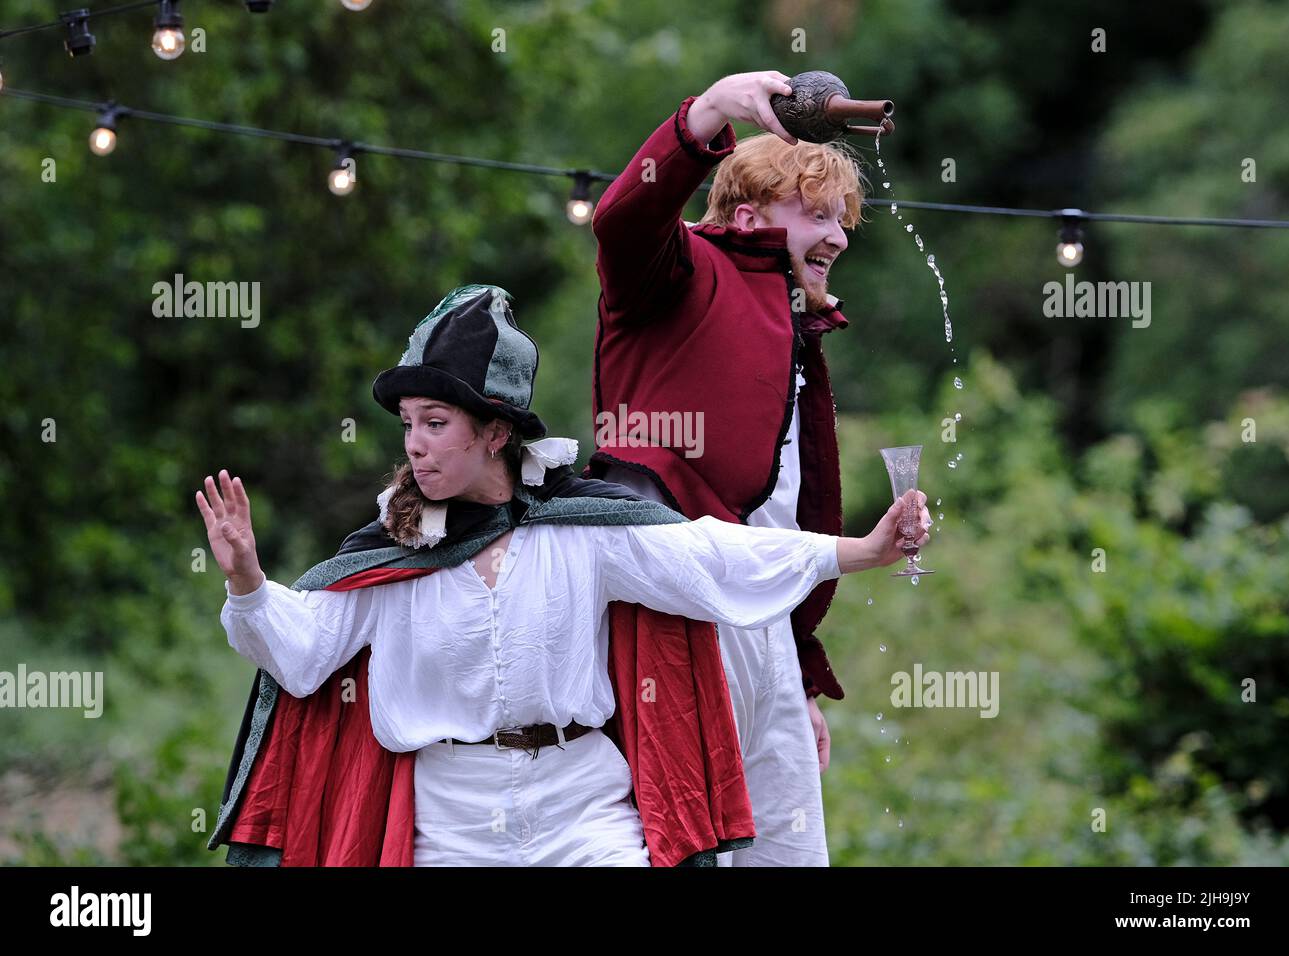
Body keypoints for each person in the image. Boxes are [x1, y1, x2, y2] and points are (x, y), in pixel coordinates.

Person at [199, 284, 930, 867]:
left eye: (434, 423)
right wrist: (248, 581)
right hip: (451, 824)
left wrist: (862, 550)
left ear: (494, 432)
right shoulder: (394, 553)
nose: (414, 446)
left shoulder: (582, 530)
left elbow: (712, 555)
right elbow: (301, 654)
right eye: (408, 425)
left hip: (581, 811)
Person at [585, 71, 873, 865]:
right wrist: (710, 109)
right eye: (815, 214)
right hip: (671, 614)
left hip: (764, 632)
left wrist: (796, 676)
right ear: (746, 217)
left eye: (841, 219)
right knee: (677, 852)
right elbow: (622, 218)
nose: (839, 235)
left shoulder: (795, 334)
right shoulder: (678, 274)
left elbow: (780, 518)